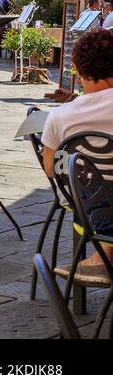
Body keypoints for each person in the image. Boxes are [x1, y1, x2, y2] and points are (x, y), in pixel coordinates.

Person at [42, 29, 113, 285]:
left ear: (76, 69)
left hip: (89, 215)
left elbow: (51, 170)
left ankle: (101, 260)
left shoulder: (59, 117)